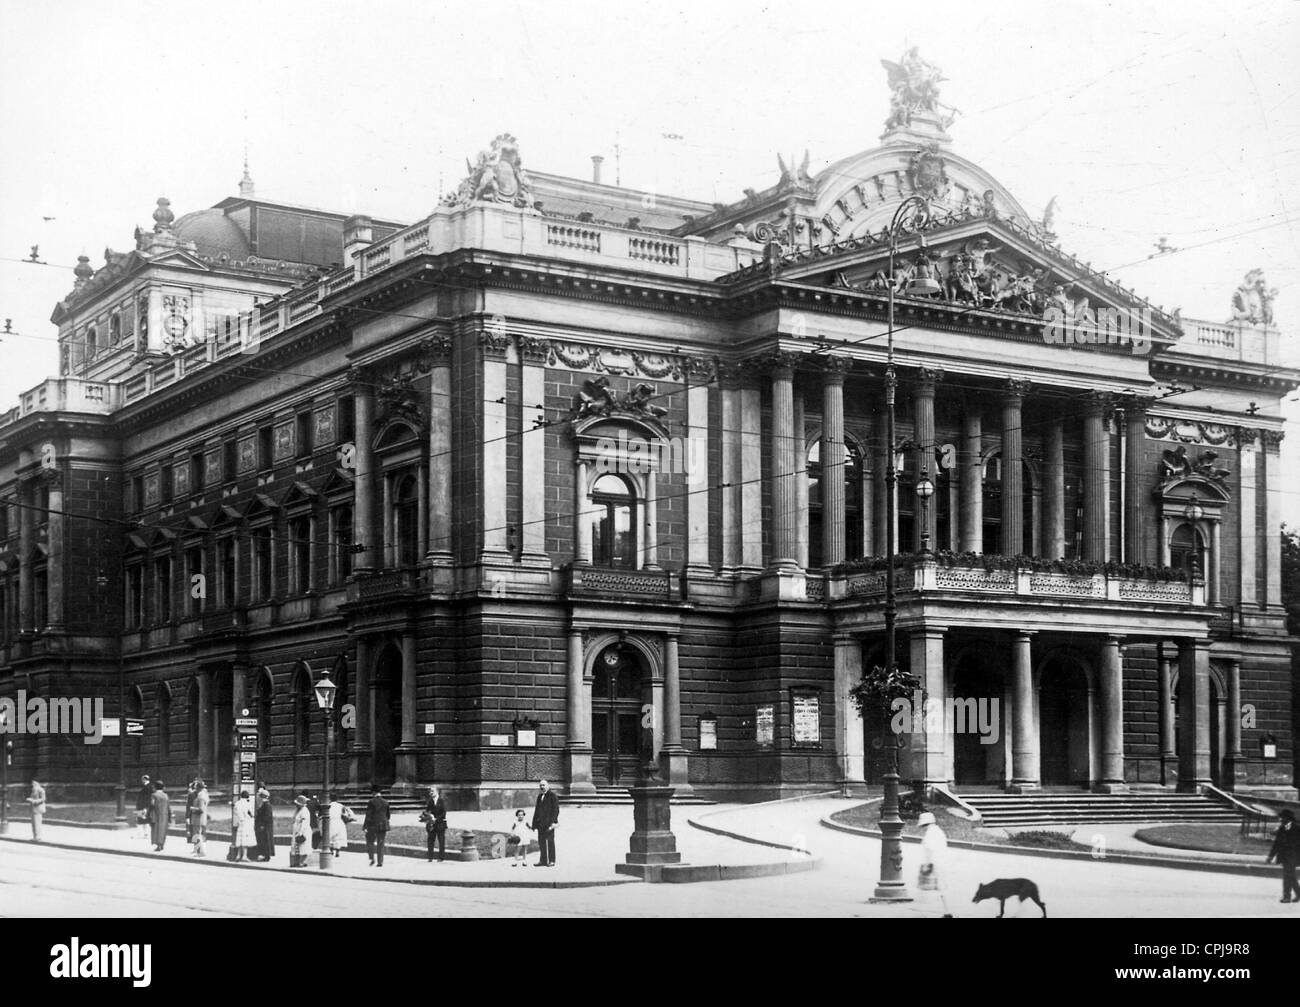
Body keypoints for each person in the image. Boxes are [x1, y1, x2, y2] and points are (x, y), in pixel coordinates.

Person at [916, 811, 953, 917]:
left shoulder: (929, 834)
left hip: (934, 863)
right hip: (943, 861)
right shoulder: (939, 831)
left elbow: (929, 850)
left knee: (926, 888)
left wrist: (926, 865)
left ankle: (944, 912)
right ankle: (947, 911)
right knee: (942, 888)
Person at [1267, 809, 1300, 904]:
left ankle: (1287, 897)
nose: (1280, 819)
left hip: (1294, 855)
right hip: (1284, 855)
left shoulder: (1297, 828)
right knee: (1291, 876)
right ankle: (1298, 894)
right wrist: (1270, 856)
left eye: (1282, 817)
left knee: (1287, 875)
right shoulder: (1282, 828)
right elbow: (1276, 843)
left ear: (1287, 819)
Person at [530, 779, 559, 867]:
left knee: (550, 842)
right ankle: (543, 861)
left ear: (548, 786)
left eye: (543, 785)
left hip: (549, 823)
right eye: (540, 785)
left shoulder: (552, 796)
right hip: (540, 824)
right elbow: (537, 811)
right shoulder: (539, 796)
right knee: (541, 842)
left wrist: (553, 822)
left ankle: (552, 861)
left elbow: (556, 810)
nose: (542, 787)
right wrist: (534, 824)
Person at [363, 783, 390, 867]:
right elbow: (388, 815)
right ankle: (380, 861)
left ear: (373, 792)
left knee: (370, 841)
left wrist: (365, 826)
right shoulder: (386, 802)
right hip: (383, 825)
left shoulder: (371, 802)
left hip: (373, 825)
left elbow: (368, 815)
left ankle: (372, 858)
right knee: (381, 843)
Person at [421, 786, 448, 862]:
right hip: (432, 824)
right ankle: (430, 857)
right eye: (430, 792)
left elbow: (444, 813)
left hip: (440, 823)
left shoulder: (442, 800)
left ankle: (441, 857)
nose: (431, 793)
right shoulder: (430, 801)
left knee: (441, 840)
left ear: (437, 792)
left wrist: (436, 818)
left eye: (432, 791)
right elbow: (427, 811)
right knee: (430, 840)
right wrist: (427, 816)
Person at [326, 791, 354, 858]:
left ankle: (331, 850)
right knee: (338, 837)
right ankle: (338, 851)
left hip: (331, 821)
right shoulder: (341, 806)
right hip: (339, 821)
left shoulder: (328, 806)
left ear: (330, 798)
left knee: (330, 836)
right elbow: (344, 814)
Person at [254, 786, 275, 861]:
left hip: (265, 827)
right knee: (264, 840)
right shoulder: (265, 804)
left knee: (266, 841)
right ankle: (265, 855)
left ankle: (267, 856)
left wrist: (262, 825)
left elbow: (266, 816)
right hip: (265, 826)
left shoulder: (267, 805)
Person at [290, 794, 312, 867]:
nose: (296, 805)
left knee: (304, 847)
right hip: (297, 830)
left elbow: (304, 823)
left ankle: (301, 862)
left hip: (303, 831)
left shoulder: (305, 811)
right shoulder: (299, 810)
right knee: (297, 847)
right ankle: (297, 862)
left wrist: (300, 832)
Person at [232, 790, 255, 861]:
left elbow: (235, 812)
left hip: (240, 823)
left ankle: (238, 855)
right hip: (247, 822)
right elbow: (251, 814)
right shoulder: (248, 804)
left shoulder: (237, 803)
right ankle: (244, 856)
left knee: (240, 839)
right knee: (245, 839)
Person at [189, 780, 209, 857]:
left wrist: (193, 808)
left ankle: (200, 852)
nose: (195, 789)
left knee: (197, 835)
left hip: (198, 818)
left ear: (198, 788)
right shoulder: (205, 795)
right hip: (201, 818)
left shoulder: (201, 796)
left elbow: (200, 809)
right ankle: (198, 851)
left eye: (195, 787)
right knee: (198, 834)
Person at [148, 780, 170, 852]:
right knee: (163, 830)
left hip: (156, 815)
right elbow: (168, 806)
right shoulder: (166, 795)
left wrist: (148, 812)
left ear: (155, 787)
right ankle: (162, 844)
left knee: (156, 830)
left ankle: (158, 845)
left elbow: (152, 804)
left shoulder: (154, 795)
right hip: (164, 815)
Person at [134, 774, 152, 840]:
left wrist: (145, 807)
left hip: (142, 807)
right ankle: (146, 834)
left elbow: (147, 798)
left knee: (140, 821)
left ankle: (140, 834)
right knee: (145, 821)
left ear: (144, 779)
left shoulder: (147, 787)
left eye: (142, 779)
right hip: (144, 807)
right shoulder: (148, 786)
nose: (142, 781)